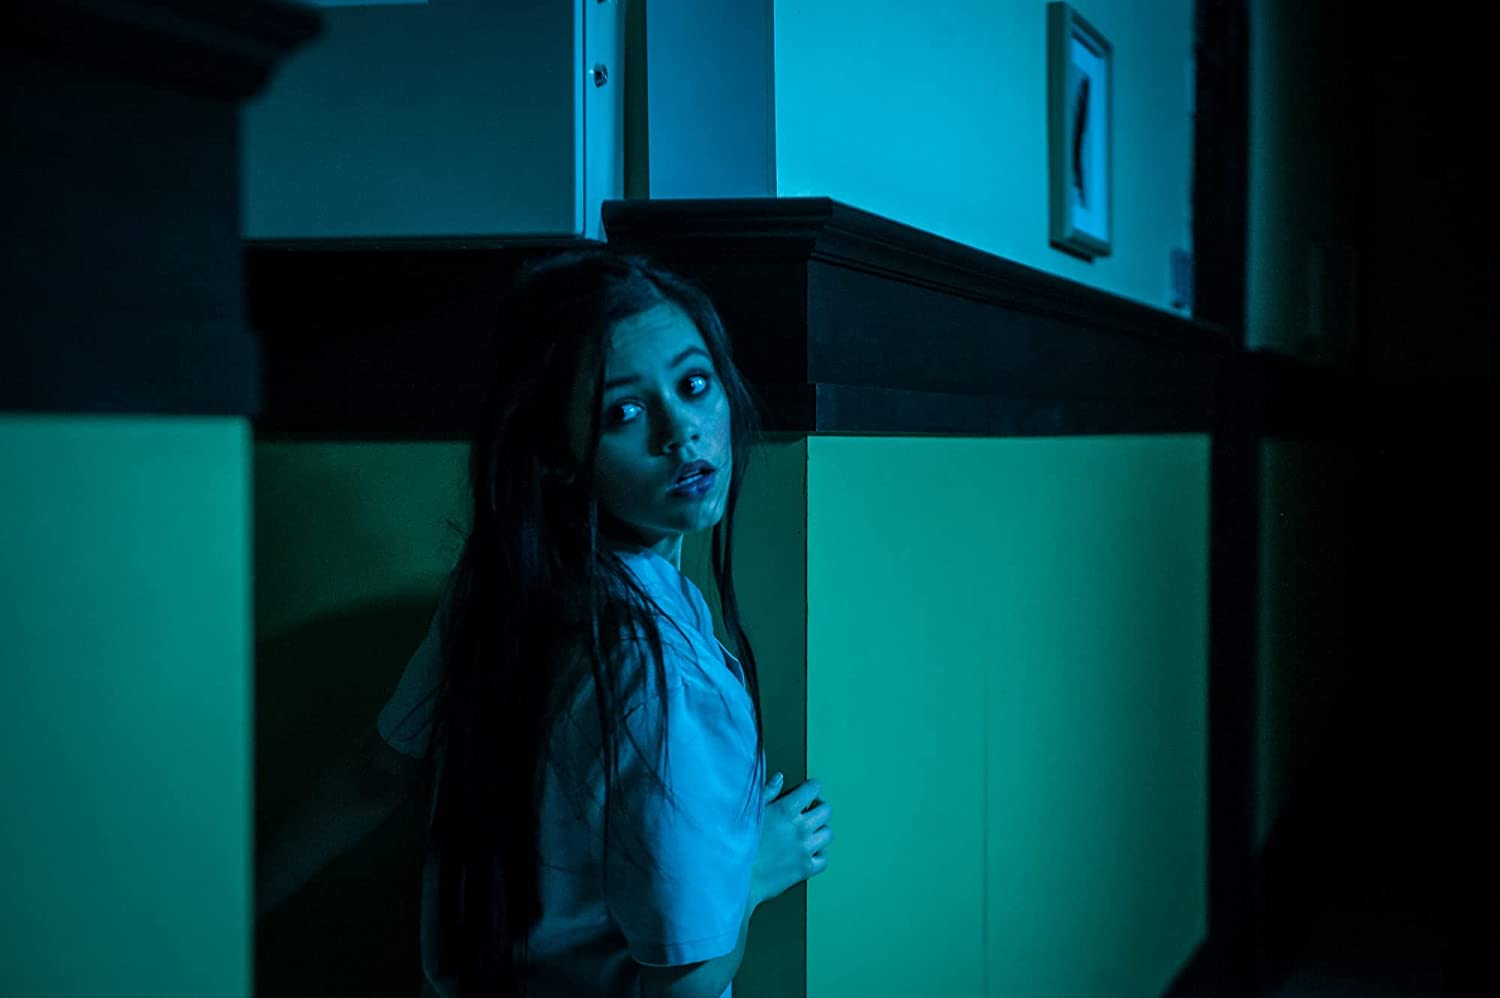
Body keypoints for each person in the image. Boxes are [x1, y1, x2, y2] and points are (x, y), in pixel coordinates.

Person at [255, 248, 835, 998]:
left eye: (694, 385)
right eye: (624, 412)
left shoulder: (502, 587)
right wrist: (755, 868)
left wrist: (227, 909)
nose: (682, 433)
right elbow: (687, 984)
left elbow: (378, 770)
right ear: (559, 453)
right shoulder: (667, 677)